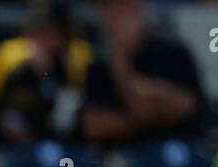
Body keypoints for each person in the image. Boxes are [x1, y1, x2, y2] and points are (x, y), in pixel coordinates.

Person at [78, 0, 205, 145]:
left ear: (139, 9)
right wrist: (151, 116)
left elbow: (183, 107)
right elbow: (92, 125)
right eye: (106, 9)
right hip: (118, 158)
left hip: (177, 155)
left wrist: (120, 63)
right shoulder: (97, 62)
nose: (111, 17)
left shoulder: (172, 52)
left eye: (120, 9)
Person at [0, 0, 91, 145]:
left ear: (65, 35)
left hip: (69, 149)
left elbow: (71, 121)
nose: (41, 41)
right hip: (16, 151)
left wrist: (49, 78)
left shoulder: (79, 63)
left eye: (49, 33)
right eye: (36, 32)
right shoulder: (14, 66)